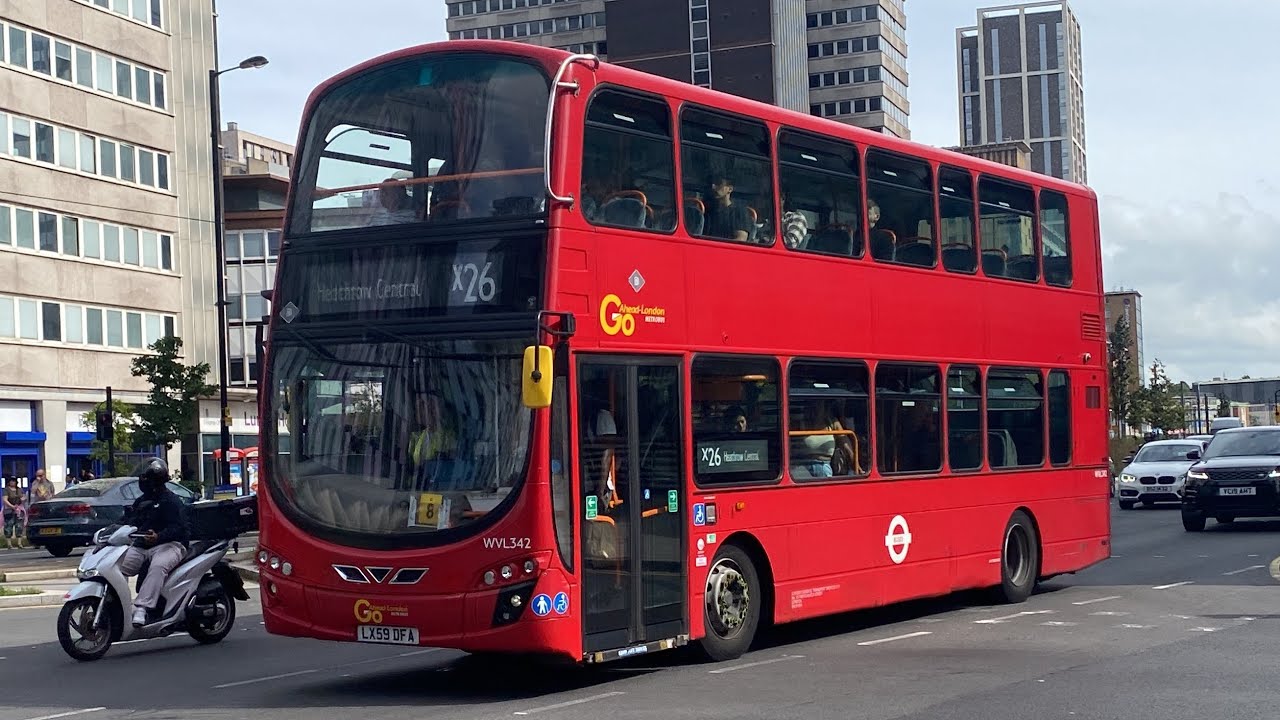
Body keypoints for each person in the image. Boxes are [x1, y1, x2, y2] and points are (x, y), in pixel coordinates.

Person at [119, 458, 190, 627]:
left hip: (171, 545)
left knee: (158, 566)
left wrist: (159, 536)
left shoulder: (171, 501)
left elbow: (180, 527)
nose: (143, 483)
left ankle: (142, 608)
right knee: (118, 566)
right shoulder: (142, 501)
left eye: (147, 479)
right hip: (142, 545)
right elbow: (128, 520)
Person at [704, 176, 754, 242]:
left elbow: (740, 240)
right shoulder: (708, 210)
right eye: (712, 184)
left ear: (730, 189)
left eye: (718, 184)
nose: (713, 187)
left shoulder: (740, 212)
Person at [3, 476, 26, 549]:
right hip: (9, 510)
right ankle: (9, 544)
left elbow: (23, 497)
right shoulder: (6, 490)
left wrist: (22, 500)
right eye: (11, 481)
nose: (12, 482)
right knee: (8, 526)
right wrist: (12, 506)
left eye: (14, 481)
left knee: (19, 526)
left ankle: (19, 543)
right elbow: (5, 499)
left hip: (19, 509)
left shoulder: (19, 489)